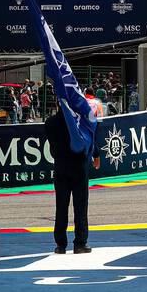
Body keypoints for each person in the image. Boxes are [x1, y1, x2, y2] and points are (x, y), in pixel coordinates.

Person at [44, 108, 99, 254]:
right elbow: (90, 138)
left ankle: (60, 244)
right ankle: (80, 242)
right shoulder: (79, 121)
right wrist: (96, 153)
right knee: (80, 205)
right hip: (79, 166)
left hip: (60, 167)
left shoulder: (50, 122)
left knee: (61, 206)